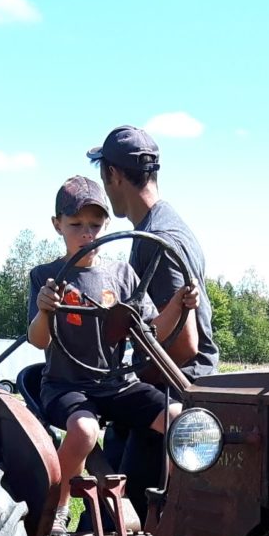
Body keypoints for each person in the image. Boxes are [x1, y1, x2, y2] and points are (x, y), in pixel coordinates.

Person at [26, 174, 192, 532]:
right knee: (85, 431)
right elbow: (39, 340)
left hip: (117, 385)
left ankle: (177, 504)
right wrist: (44, 310)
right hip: (67, 385)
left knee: (179, 418)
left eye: (95, 226)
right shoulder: (46, 277)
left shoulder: (122, 275)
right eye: (76, 225)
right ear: (57, 225)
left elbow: (153, 334)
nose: (87, 234)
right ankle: (58, 506)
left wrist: (179, 304)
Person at [88, 125, 217, 378]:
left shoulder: (156, 240)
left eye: (104, 179)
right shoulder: (166, 223)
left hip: (178, 388)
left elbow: (184, 348)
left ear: (113, 174)